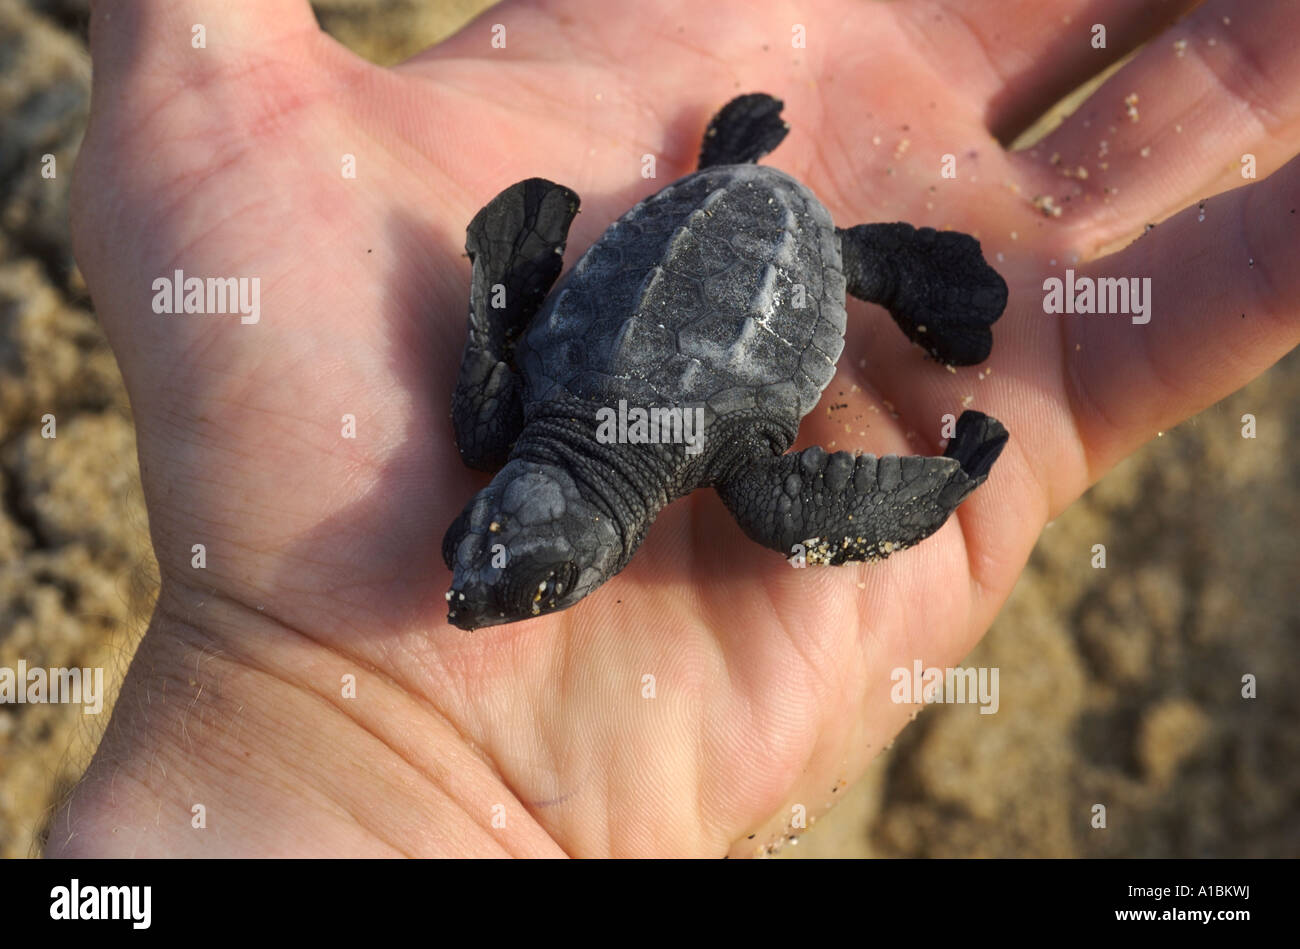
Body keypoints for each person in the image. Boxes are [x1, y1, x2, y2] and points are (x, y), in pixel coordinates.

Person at [47, 0, 1300, 857]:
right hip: (713, 227)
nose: (472, 589)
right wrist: (945, 475)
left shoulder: (562, 434)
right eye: (495, 567)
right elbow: (520, 248)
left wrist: (948, 473)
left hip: (783, 246)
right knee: (786, 508)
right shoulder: (533, 428)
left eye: (489, 563)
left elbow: (516, 262)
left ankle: (862, 254)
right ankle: (794, 206)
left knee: (792, 500)